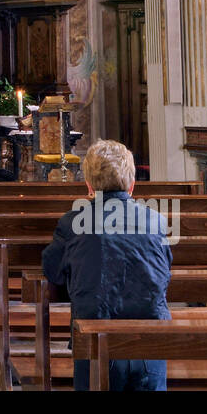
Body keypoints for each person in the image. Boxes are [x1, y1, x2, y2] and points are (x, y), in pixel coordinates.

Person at [42, 139, 171, 391]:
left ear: (89, 186)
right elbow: (164, 271)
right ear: (132, 186)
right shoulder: (156, 221)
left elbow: (53, 271)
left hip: (94, 336)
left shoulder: (73, 222)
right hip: (150, 337)